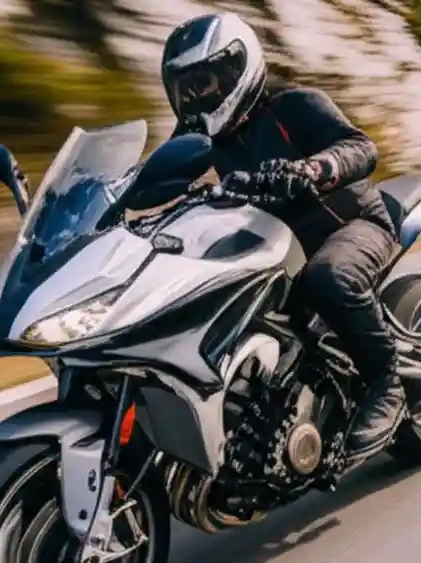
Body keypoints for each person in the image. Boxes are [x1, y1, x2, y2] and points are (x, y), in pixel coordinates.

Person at [160, 11, 405, 463]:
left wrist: (314, 168)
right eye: (185, 89)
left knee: (328, 278)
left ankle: (386, 384)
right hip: (275, 247)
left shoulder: (295, 106)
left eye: (206, 83)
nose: (196, 98)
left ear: (238, 70)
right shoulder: (202, 137)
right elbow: (161, 174)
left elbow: (361, 148)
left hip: (352, 226)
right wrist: (118, 201)